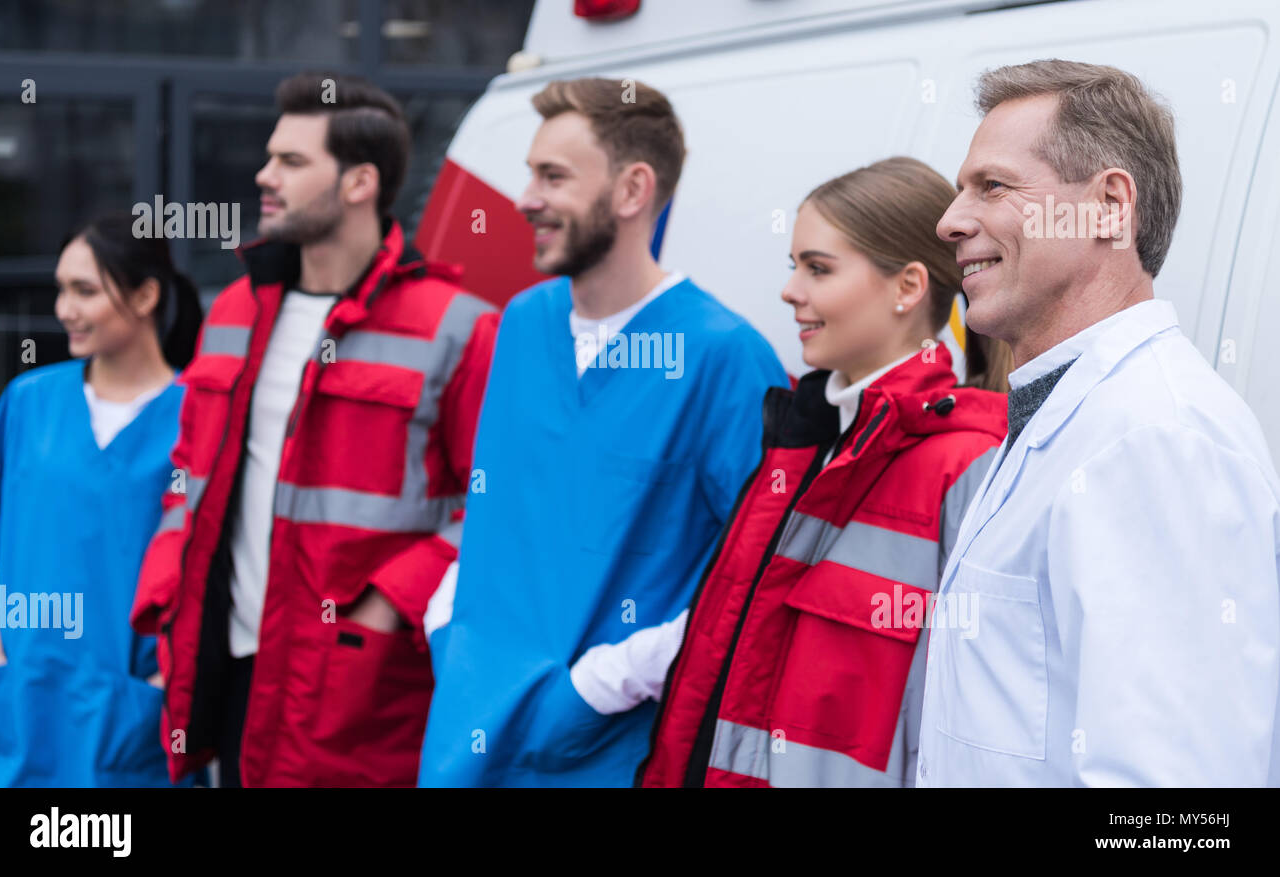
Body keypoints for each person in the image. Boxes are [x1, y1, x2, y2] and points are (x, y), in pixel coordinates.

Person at [915, 59, 1280, 787]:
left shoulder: (1158, 437)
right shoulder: (1069, 412)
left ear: (1109, 206)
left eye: (992, 185)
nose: (949, 220)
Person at [129, 72, 498, 787]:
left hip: (357, 689)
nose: (265, 177)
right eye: (271, 157)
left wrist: (390, 600)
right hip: (229, 664)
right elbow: (190, 464)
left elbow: (494, 500)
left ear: (360, 181)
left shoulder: (457, 324)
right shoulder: (235, 307)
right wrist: (173, 560)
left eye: (292, 162)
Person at [417, 77, 788, 787]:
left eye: (552, 176)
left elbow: (757, 568)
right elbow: (496, 506)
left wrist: (607, 683)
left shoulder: (722, 356)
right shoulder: (522, 324)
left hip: (605, 751)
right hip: (468, 734)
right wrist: (451, 624)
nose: (524, 197)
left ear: (631, 189)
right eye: (530, 172)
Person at [633, 158, 1009, 787]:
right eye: (794, 266)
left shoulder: (967, 462)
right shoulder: (800, 438)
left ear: (908, 287)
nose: (790, 290)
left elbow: (973, 728)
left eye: (818, 268)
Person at [0, 214, 203, 786]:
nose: (63, 309)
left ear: (147, 295)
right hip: (20, 704)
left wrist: (161, 684)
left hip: (130, 715)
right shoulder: (28, 403)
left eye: (84, 291)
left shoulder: (197, 419)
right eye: (61, 289)